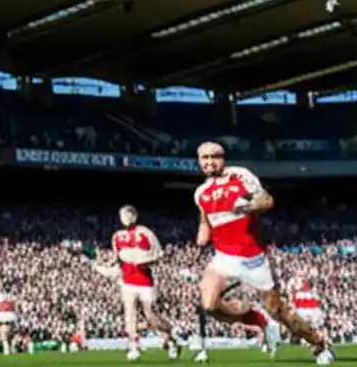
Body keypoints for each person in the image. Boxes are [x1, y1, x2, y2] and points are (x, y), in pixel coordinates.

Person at [192, 141, 333, 365]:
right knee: (208, 305)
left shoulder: (239, 176)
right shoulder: (200, 193)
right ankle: (259, 321)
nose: (210, 162)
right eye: (205, 158)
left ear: (223, 158)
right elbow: (205, 220)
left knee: (279, 311)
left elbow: (267, 200)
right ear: (199, 162)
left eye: (214, 157)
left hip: (252, 258)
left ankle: (319, 344)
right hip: (223, 258)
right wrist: (202, 235)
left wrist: (249, 206)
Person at [107, 205, 180, 360]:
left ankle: (171, 337)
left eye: (126, 215)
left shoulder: (145, 233)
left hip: (145, 282)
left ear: (134, 216)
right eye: (121, 215)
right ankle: (134, 346)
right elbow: (117, 259)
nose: (123, 218)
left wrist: (146, 262)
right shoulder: (117, 236)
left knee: (151, 316)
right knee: (130, 314)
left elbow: (158, 253)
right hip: (127, 282)